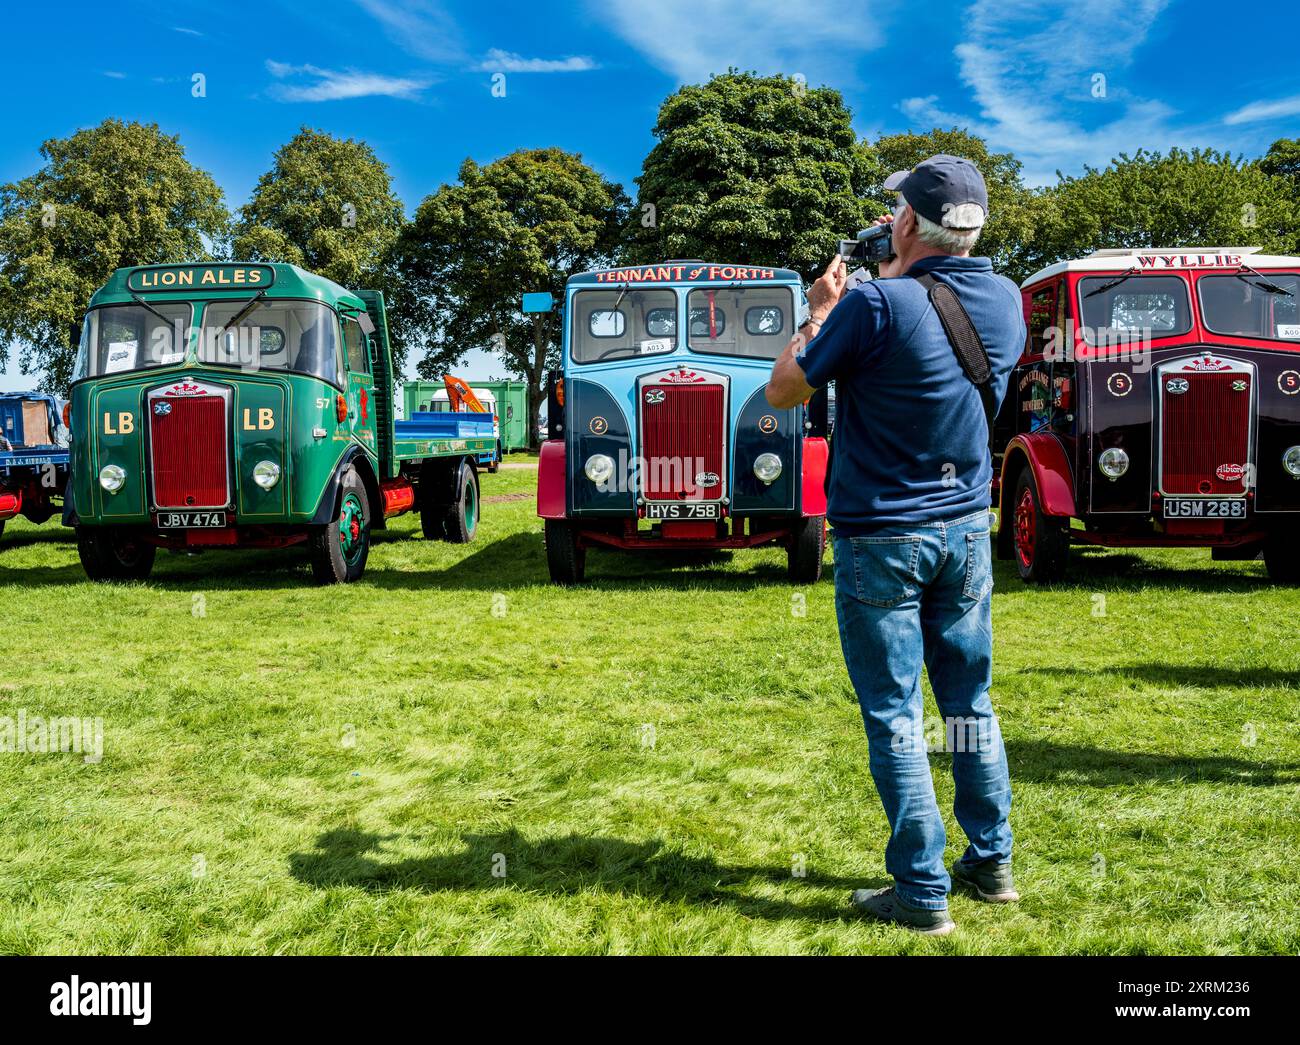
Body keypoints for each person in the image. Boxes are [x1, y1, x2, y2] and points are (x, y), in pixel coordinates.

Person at [766, 155, 1026, 935]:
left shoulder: (872, 304)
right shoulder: (1009, 301)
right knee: (969, 703)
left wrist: (818, 310)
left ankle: (920, 891)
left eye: (895, 215)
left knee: (894, 714)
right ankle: (992, 862)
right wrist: (902, 268)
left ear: (908, 221)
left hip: (883, 534)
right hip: (966, 534)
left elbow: (784, 388)